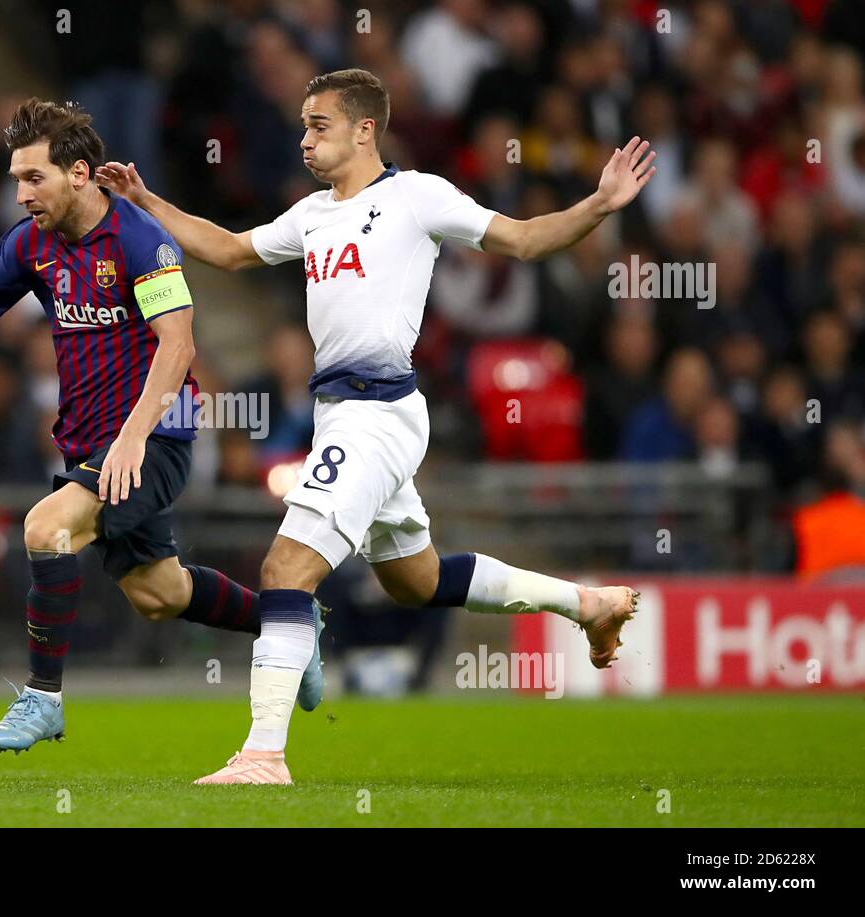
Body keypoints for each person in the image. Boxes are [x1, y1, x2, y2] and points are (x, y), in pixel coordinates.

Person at [97, 69, 647, 785]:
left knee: (285, 569)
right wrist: (146, 202)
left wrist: (600, 204)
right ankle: (588, 603)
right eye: (301, 125)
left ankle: (264, 754)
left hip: (376, 413)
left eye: (318, 125)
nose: (304, 139)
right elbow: (228, 249)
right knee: (414, 580)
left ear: (364, 129)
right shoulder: (312, 214)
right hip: (344, 414)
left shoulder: (416, 196)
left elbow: (524, 241)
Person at [0, 99, 323, 754]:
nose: (20, 194)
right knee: (160, 591)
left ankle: (42, 698)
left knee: (45, 527)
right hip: (94, 439)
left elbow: (178, 346)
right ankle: (294, 621)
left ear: (78, 174)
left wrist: (133, 437)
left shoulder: (138, 239)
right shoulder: (30, 243)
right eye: (15, 178)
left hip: (157, 434)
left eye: (32, 178)